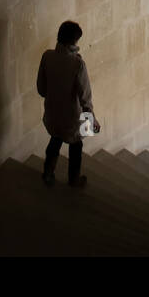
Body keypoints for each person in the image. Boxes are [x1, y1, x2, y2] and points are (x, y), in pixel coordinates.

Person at [36, 21, 100, 188]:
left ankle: (48, 173)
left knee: (55, 140)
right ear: (74, 42)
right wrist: (92, 120)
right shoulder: (78, 64)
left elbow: (41, 89)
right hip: (72, 118)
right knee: (76, 146)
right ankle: (73, 180)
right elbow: (85, 98)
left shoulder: (47, 56)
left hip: (52, 113)